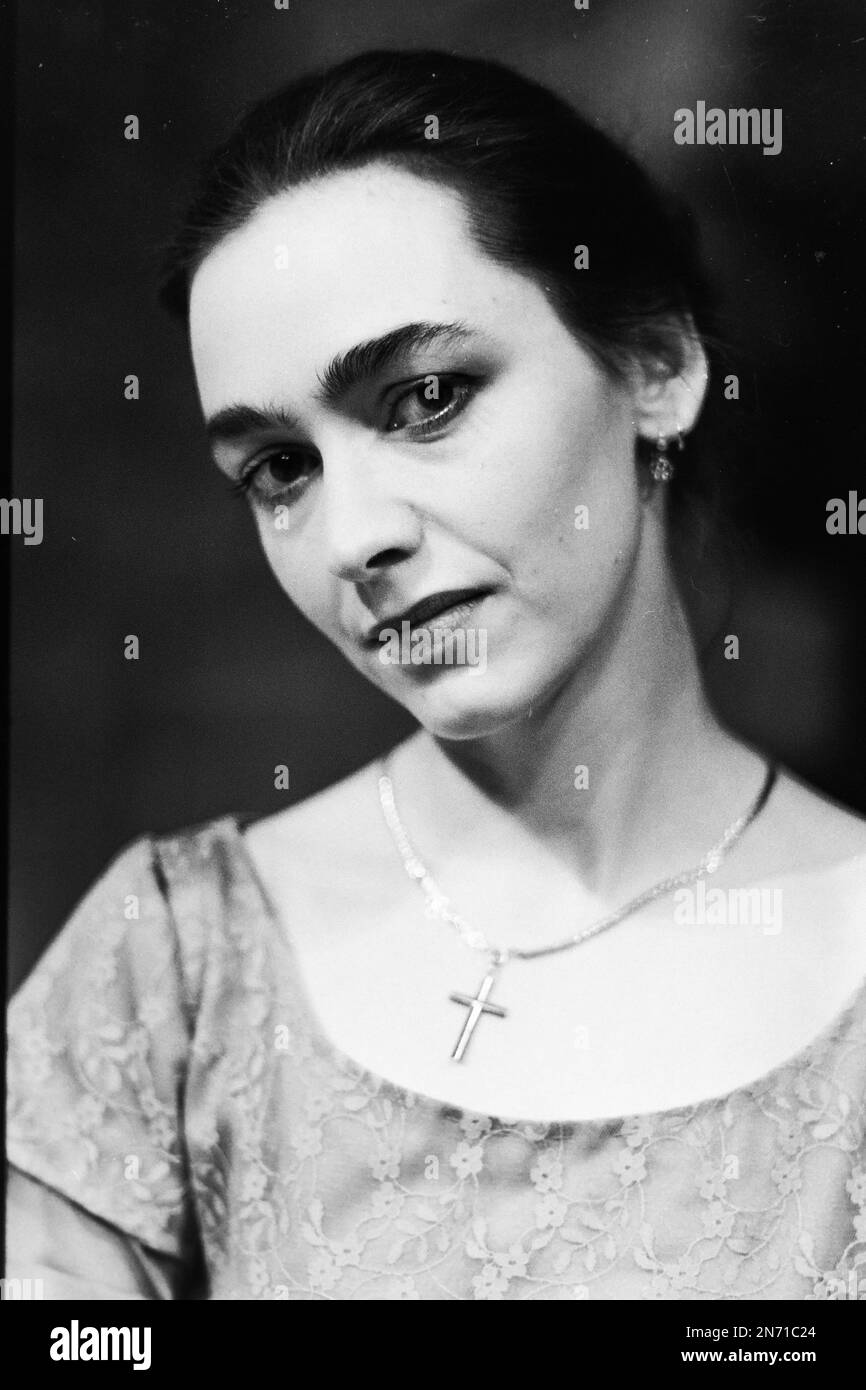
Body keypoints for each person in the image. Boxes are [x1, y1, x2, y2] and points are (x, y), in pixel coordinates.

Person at [7, 49, 866, 1302]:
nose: (355, 537)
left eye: (424, 398)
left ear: (655, 367)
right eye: (279, 471)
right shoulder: (173, 975)